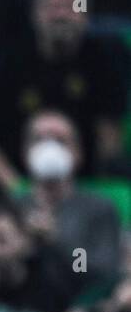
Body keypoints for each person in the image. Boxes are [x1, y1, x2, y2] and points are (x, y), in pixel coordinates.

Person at [0, 0, 130, 186]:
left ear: (85, 13)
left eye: (71, 6)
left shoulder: (105, 58)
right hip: (15, 185)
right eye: (51, 6)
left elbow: (110, 136)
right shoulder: (6, 58)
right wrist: (16, 188)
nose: (61, 14)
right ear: (34, 13)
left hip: (83, 186)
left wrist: (94, 193)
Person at [15, 110, 122, 297]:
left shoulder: (99, 209)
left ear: (77, 153)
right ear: (25, 153)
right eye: (39, 140)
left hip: (78, 303)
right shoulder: (11, 207)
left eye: (60, 141)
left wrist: (57, 240)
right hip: (21, 307)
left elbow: (102, 272)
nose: (49, 149)